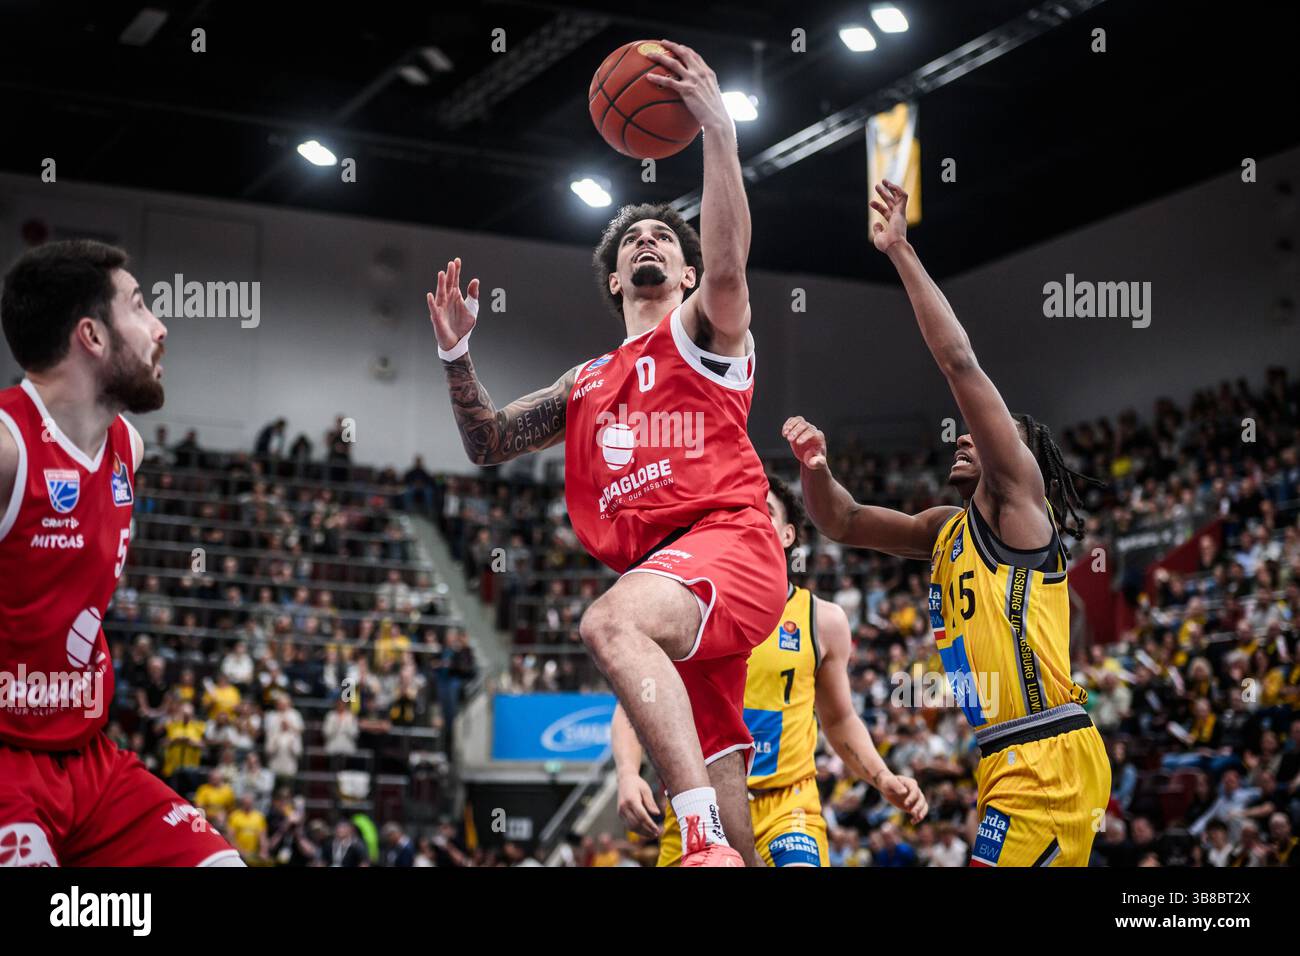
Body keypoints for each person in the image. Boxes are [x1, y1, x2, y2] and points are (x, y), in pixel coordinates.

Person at [427, 39, 786, 866]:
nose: (647, 242)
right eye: (631, 243)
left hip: (728, 544)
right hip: (670, 586)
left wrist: (720, 136)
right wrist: (456, 357)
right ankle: (718, 836)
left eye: (665, 237)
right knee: (726, 791)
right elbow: (488, 441)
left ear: (687, 275)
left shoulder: (703, 337)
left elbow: (731, 266)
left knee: (606, 619)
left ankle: (691, 829)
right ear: (615, 281)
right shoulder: (585, 380)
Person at [784, 181, 1110, 867]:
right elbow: (842, 521)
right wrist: (815, 469)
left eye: (983, 437)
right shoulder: (943, 529)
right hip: (1004, 754)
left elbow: (960, 363)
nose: (965, 440)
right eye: (962, 437)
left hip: (1046, 751)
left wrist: (901, 251)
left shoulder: (1018, 505)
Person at [0, 239, 239, 865]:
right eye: (139, 306)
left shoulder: (127, 449)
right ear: (93, 336)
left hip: (94, 763)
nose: (161, 327)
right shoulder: (7, 451)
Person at [612, 476, 927, 866]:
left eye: (765, 512)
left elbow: (839, 717)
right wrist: (627, 772)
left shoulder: (821, 619)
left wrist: (882, 777)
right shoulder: (684, 613)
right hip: (701, 806)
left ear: (788, 534)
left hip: (787, 808)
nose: (752, 521)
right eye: (741, 514)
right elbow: (636, 703)